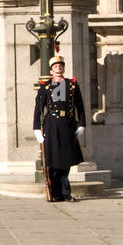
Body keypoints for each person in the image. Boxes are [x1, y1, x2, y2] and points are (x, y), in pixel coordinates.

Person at [32, 54, 86, 203]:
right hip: (52, 125)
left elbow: (80, 107)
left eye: (61, 65)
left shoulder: (71, 84)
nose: (59, 68)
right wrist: (37, 128)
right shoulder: (47, 86)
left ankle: (66, 193)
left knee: (66, 160)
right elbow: (38, 109)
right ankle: (55, 192)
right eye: (55, 66)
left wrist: (82, 124)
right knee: (54, 161)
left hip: (67, 124)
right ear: (51, 70)